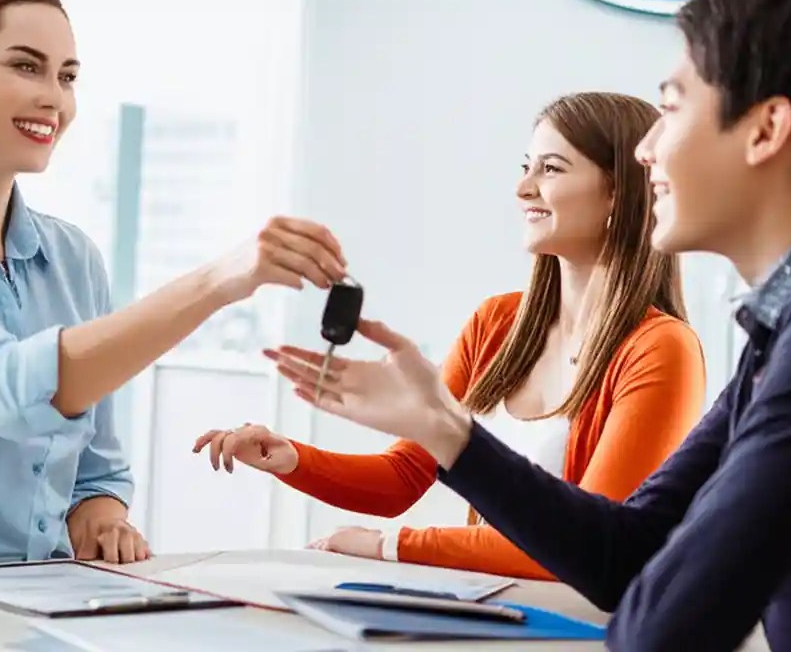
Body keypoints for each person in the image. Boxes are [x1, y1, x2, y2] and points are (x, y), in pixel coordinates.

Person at [266, 0, 791, 651]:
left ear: (767, 129)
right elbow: (629, 555)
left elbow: (675, 622)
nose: (649, 151)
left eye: (670, 110)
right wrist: (446, 430)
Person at [0, 0, 348, 573]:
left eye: (67, 77)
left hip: (38, 587)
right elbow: (3, 388)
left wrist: (101, 511)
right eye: (26, 66)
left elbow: (96, 464)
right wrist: (219, 280)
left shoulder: (73, 259)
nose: (55, 98)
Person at [194, 92, 706, 579]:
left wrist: (392, 545)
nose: (523, 188)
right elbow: (404, 476)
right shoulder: (496, 324)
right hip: (491, 611)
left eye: (550, 169)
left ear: (620, 191)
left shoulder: (661, 349)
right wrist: (292, 459)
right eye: (525, 167)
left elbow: (592, 544)